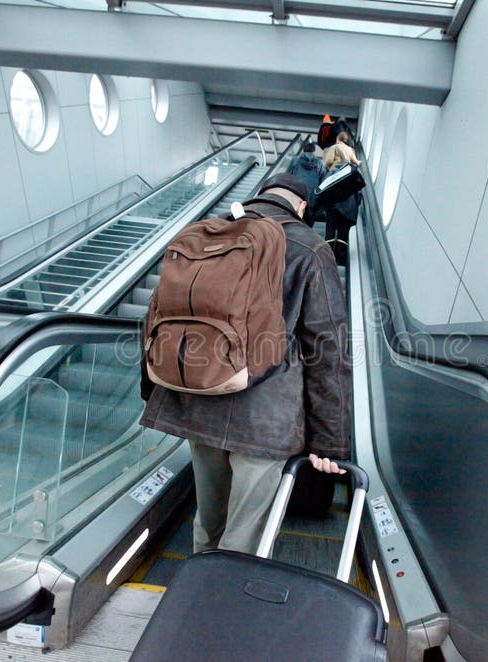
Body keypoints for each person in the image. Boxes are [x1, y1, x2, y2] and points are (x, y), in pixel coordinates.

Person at [140, 173, 352, 555]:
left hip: (199, 401)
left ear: (259, 196)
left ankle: (198, 583)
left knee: (209, 520)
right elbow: (328, 352)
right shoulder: (310, 248)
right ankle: (229, 591)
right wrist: (329, 441)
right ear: (301, 207)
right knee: (245, 536)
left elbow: (154, 317)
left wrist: (151, 388)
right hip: (265, 422)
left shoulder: (206, 236)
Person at [318, 141, 362, 266]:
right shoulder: (353, 171)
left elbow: (322, 189)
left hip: (332, 206)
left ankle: (328, 260)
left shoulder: (331, 171)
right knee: (343, 233)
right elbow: (358, 192)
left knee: (330, 231)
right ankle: (341, 260)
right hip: (348, 206)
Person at [286, 140, 326, 213]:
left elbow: (288, 175)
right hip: (312, 195)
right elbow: (323, 180)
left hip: (296, 191)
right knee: (309, 213)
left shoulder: (295, 160)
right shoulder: (319, 163)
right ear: (314, 151)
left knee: (295, 212)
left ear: (304, 150)